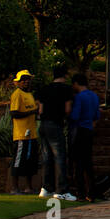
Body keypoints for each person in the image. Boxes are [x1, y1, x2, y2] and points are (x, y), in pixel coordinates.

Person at [37, 64, 76, 201]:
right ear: (65, 75)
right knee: (59, 156)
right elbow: (67, 109)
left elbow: (40, 110)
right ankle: (61, 190)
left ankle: (46, 188)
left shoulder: (44, 89)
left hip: (43, 125)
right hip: (55, 124)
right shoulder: (66, 89)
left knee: (47, 157)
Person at [68, 73, 101, 202]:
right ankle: (92, 192)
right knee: (88, 163)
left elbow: (75, 116)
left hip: (80, 130)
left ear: (76, 83)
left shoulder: (79, 97)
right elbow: (97, 115)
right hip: (89, 129)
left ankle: (81, 192)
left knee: (79, 164)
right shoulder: (94, 96)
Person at [8, 70, 39, 195]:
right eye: (23, 80)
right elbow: (14, 113)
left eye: (28, 79)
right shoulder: (17, 94)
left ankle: (28, 187)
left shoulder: (30, 95)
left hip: (31, 133)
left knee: (30, 162)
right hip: (21, 134)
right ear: (18, 82)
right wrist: (31, 112)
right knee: (18, 160)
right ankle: (14, 188)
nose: (26, 82)